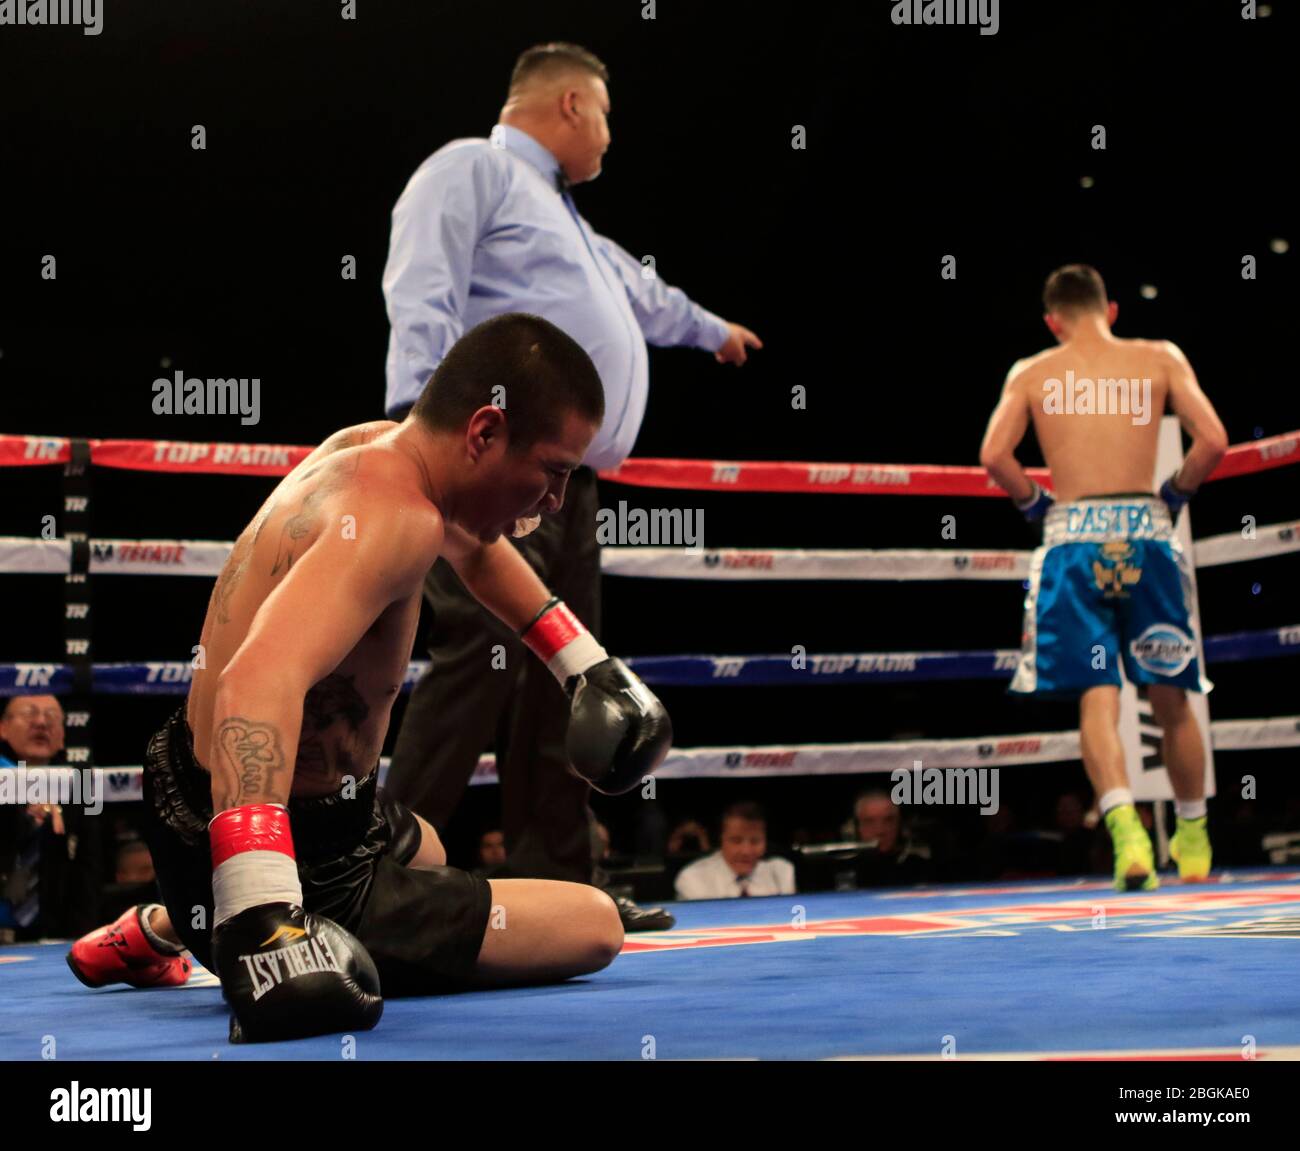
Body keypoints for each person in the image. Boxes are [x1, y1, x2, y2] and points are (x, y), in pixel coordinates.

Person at [67, 313, 672, 1043]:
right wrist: (261, 915)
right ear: (483, 432)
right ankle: (224, 913)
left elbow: (477, 552)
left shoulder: (373, 450)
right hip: (301, 858)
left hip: (191, 793)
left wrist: (585, 665)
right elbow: (256, 679)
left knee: (431, 847)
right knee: (596, 925)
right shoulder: (396, 518)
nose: (555, 503)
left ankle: (165, 922)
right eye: (553, 471)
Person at [382, 42, 761, 931]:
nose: (611, 134)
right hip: (482, 461)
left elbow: (646, 297)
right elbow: (421, 281)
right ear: (569, 104)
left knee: (568, 674)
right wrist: (416, 430)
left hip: (565, 481)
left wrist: (713, 333)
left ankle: (556, 880)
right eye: (606, 114)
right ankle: (382, 866)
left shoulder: (569, 224)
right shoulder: (473, 168)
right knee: (476, 649)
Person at [979, 264, 1228, 891]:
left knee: (1098, 693)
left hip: (1073, 544)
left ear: (1051, 321)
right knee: (1171, 697)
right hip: (1146, 538)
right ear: (1111, 310)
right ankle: (1193, 837)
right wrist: (1172, 495)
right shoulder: (1158, 357)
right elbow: (1214, 441)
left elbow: (992, 456)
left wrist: (1037, 506)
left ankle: (1125, 832)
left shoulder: (1034, 372)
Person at [673, 803, 795, 900]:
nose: (746, 851)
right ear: (721, 840)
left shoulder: (781, 873)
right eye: (736, 841)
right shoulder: (692, 879)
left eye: (755, 841)